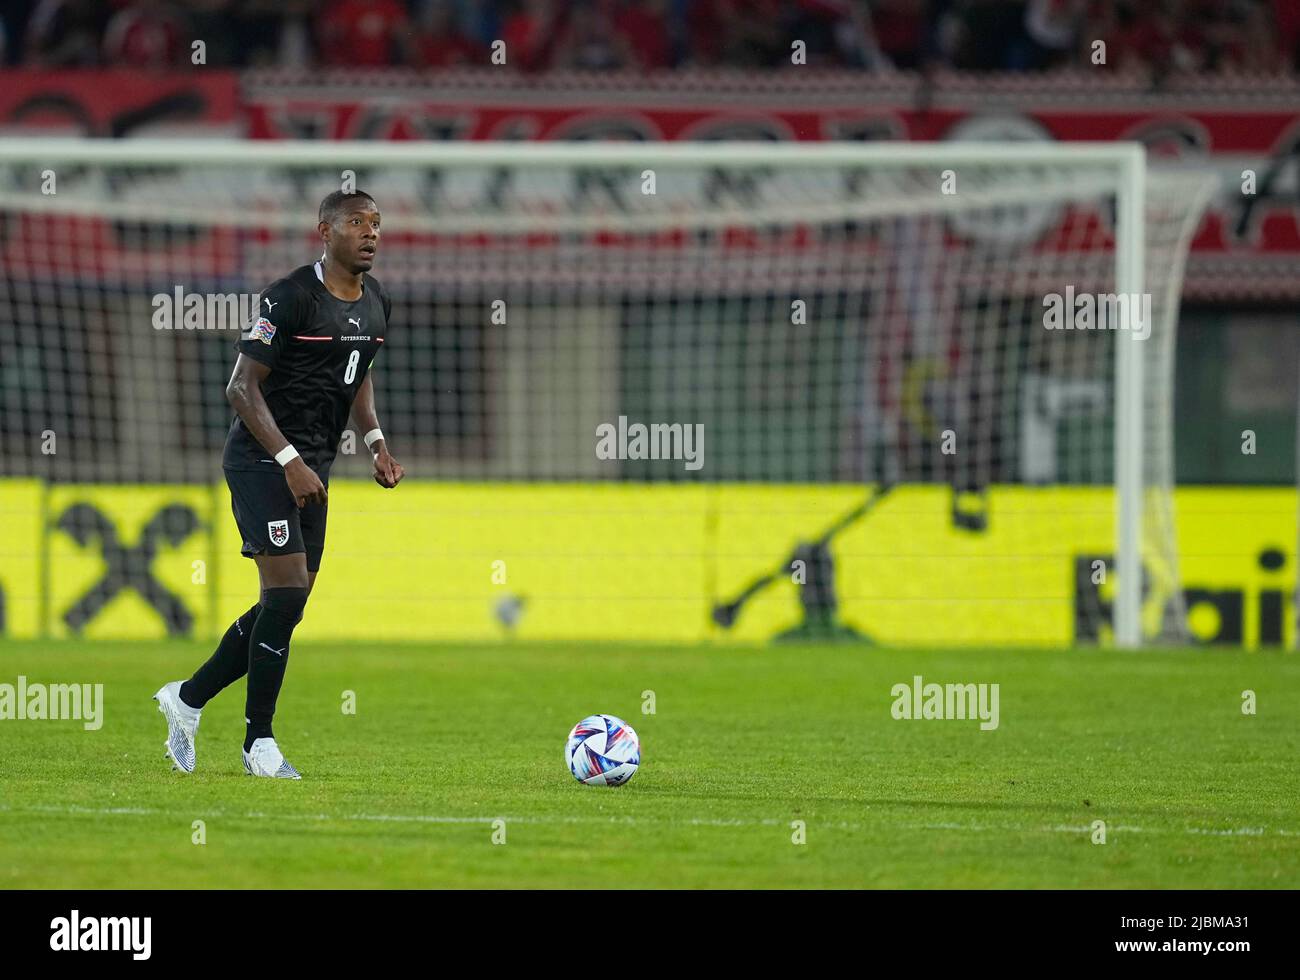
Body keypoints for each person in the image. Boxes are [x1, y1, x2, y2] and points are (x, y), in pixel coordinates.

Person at [153, 189, 404, 779]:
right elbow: (240, 388)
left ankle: (186, 700)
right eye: (355, 223)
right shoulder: (288, 297)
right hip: (263, 461)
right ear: (324, 230)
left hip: (314, 466)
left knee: (286, 605)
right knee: (287, 594)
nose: (369, 234)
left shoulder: (378, 302)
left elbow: (358, 373)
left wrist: (375, 443)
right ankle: (257, 744)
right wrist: (289, 460)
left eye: (376, 224)